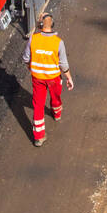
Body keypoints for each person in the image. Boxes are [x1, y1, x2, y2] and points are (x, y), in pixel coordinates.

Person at [23, 13, 73, 147]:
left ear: (40, 25)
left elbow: (26, 59)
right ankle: (57, 114)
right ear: (53, 25)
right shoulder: (58, 42)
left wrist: (32, 68)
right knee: (55, 97)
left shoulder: (33, 40)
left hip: (37, 78)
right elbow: (63, 64)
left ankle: (39, 137)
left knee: (38, 105)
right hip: (54, 78)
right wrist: (69, 78)